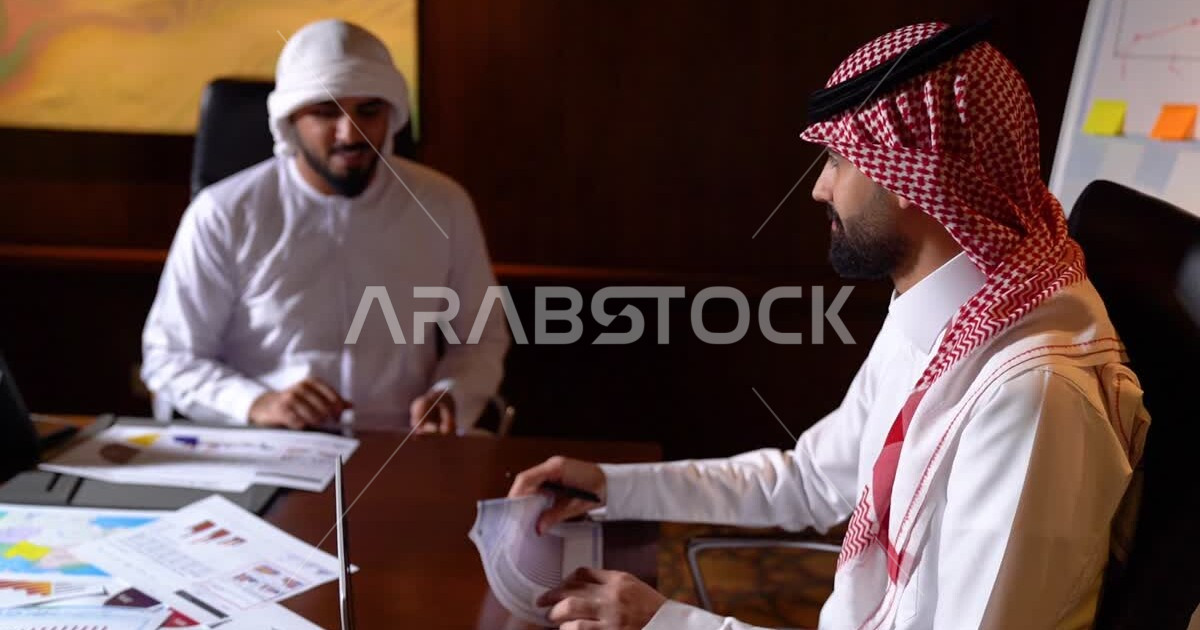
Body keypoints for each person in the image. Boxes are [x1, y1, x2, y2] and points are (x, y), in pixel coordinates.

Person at [508, 22, 1149, 629]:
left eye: (841, 159)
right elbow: (813, 478)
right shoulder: (947, 306)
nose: (820, 188)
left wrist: (666, 620)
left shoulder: (1031, 395)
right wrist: (610, 487)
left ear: (913, 175)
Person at [142, 20, 509, 434]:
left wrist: (453, 393)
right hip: (266, 449)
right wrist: (257, 402)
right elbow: (170, 357)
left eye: (368, 111)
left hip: (401, 448)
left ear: (392, 114)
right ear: (290, 120)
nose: (350, 134)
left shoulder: (443, 205)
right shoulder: (224, 213)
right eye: (326, 112)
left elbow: (480, 338)